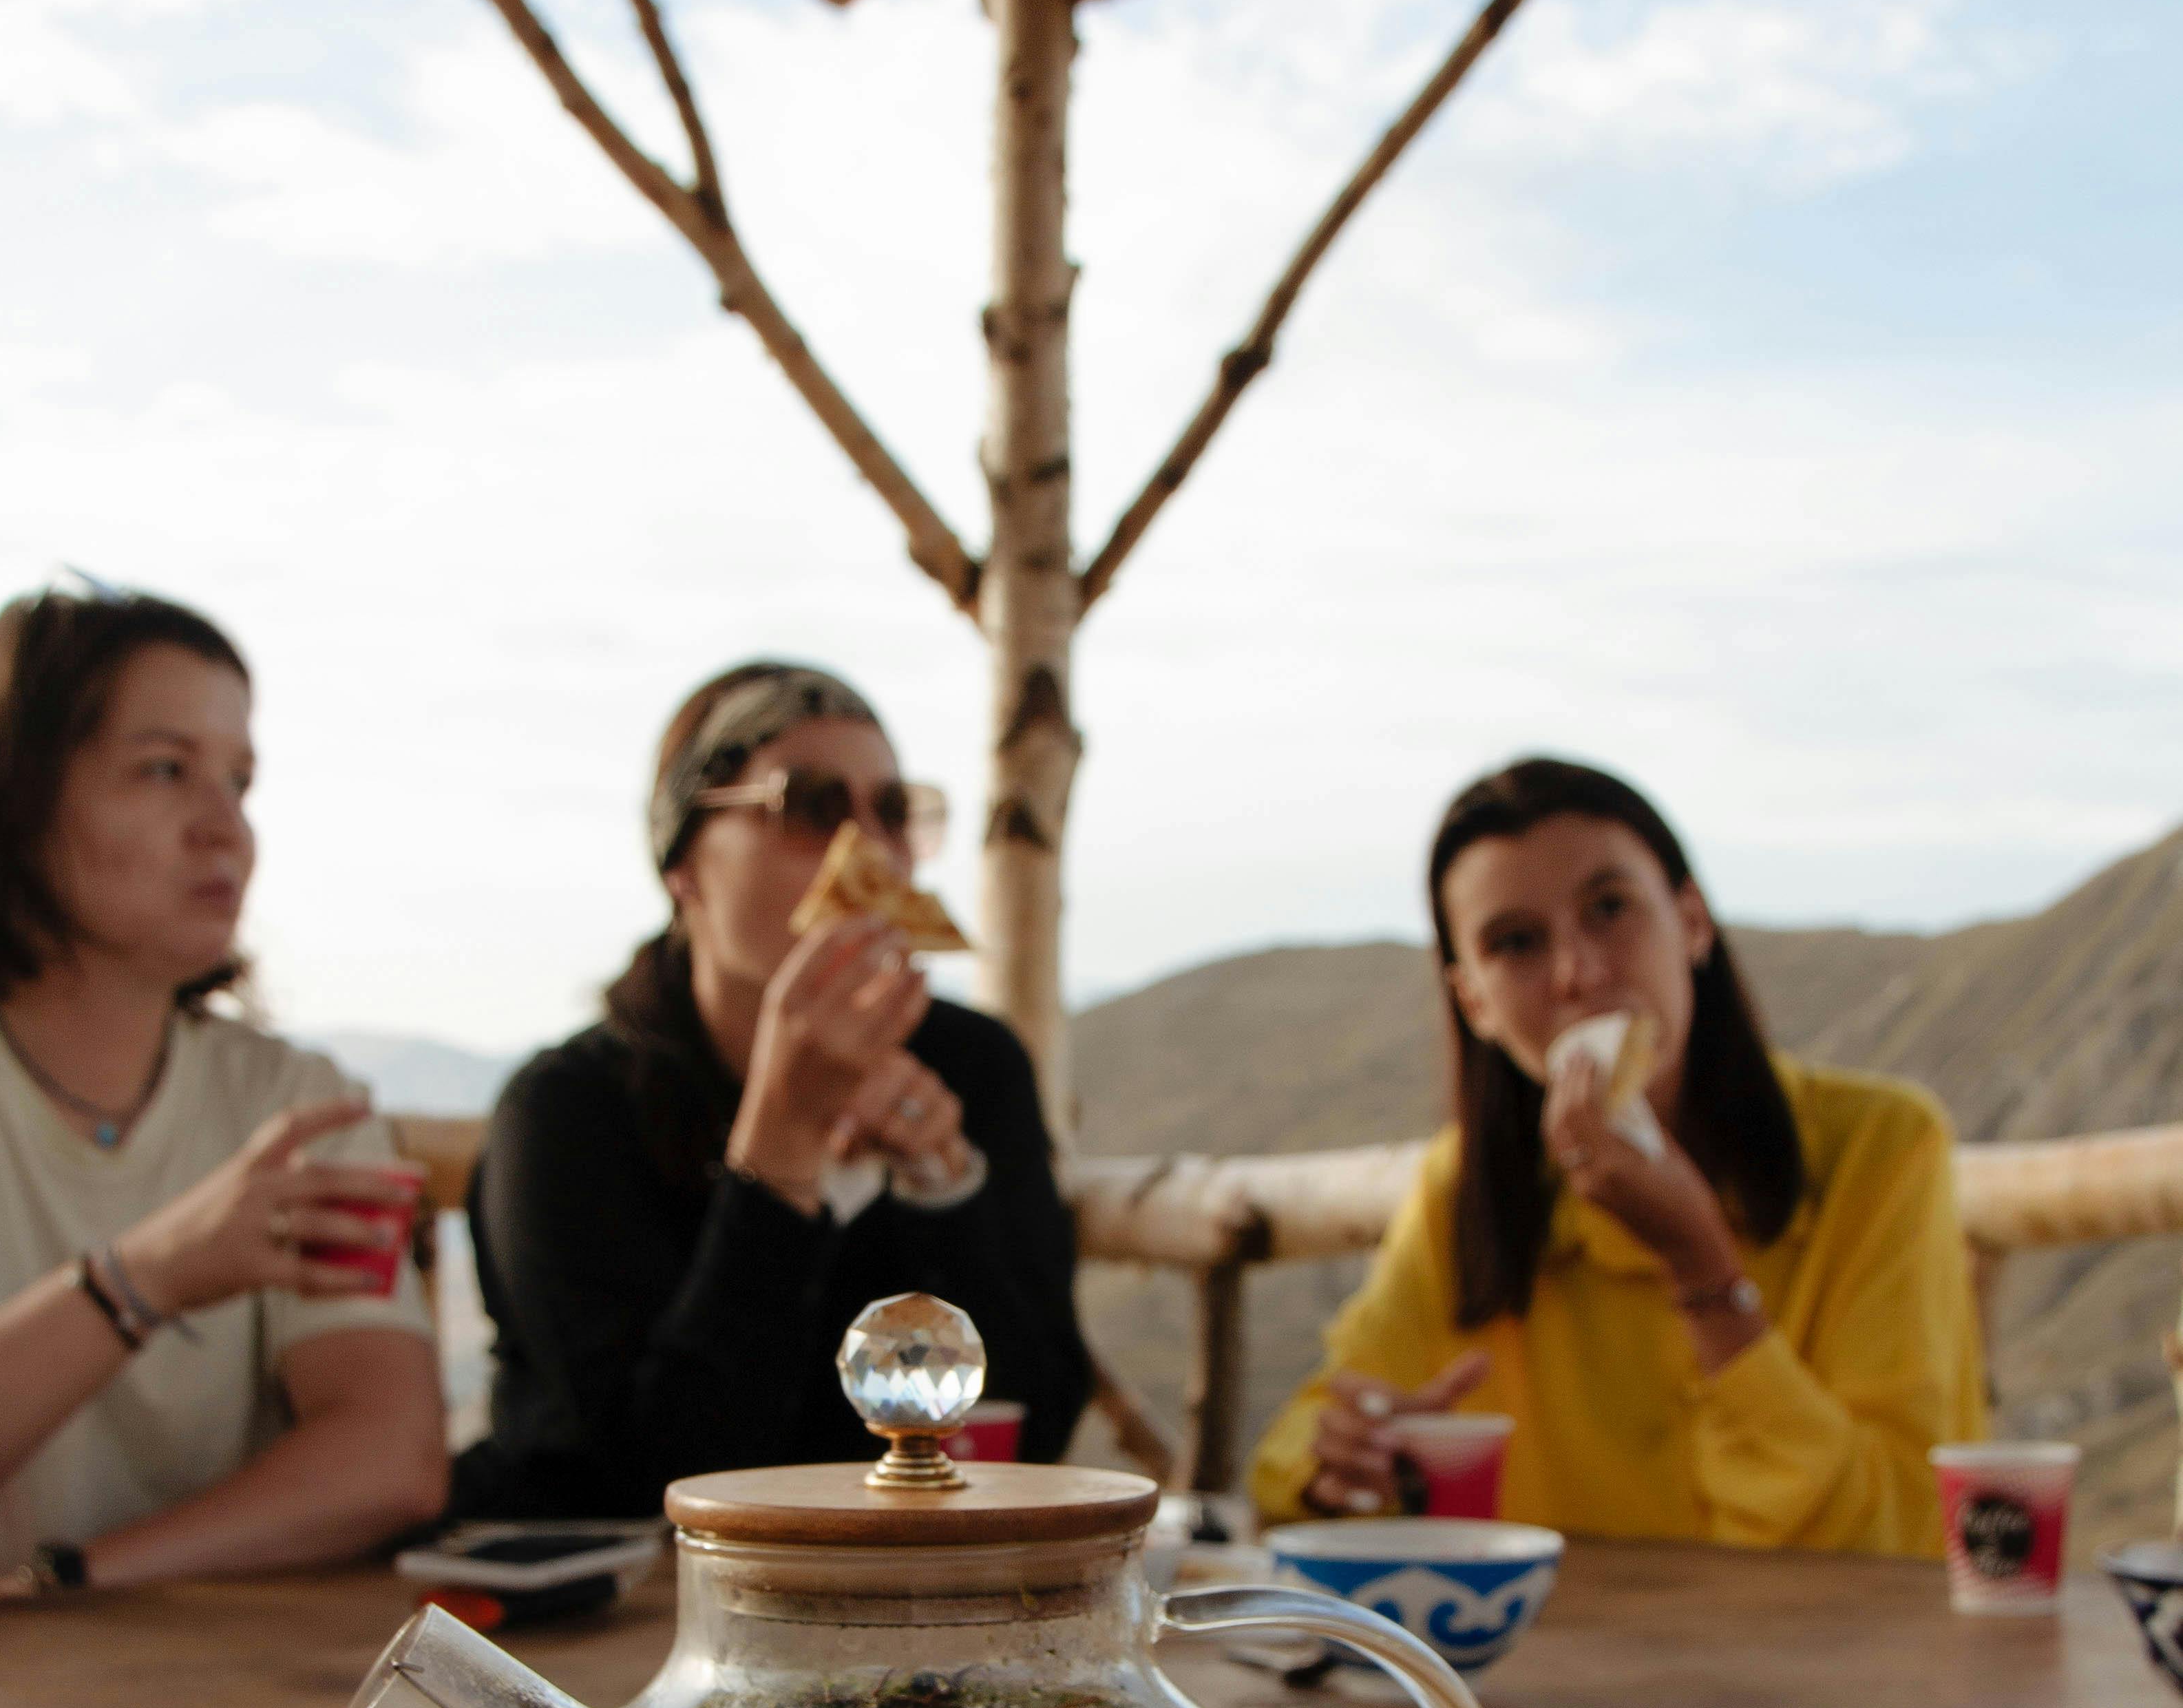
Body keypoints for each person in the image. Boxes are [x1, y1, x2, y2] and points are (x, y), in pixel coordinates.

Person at [1250, 757, 1983, 1558]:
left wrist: (1702, 1267)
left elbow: (1899, 1535)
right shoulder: (1463, 1186)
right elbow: (1301, 1449)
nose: (1581, 974)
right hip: (1547, 1674)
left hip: (1822, 1669)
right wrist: (1346, 1464)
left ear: (1692, 922)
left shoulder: (1880, 1146)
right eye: (1517, 942)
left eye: (1609, 909)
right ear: (1476, 1002)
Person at [451, 661, 1094, 1516]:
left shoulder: (971, 1067)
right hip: (606, 1615)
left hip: (890, 1602)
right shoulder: (568, 1110)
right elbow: (657, 1473)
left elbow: (1034, 1427)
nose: (866, 848)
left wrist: (946, 1191)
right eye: (810, 806)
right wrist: (779, 1147)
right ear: (685, 868)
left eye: (893, 809)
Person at [0, 585, 450, 1600]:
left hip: (213, 1704)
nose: (224, 827)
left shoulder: (299, 1103)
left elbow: (389, 1457)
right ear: (12, 793)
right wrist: (147, 1276)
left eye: (239, 780)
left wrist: (73, 1577)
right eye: (163, 769)